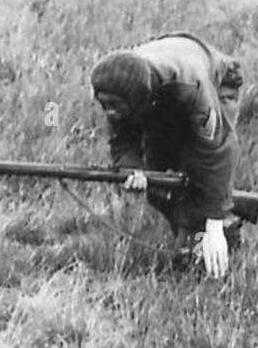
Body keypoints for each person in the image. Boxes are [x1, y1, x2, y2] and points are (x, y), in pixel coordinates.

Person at [90, 32, 243, 278]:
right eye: (104, 104)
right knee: (159, 180)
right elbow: (122, 141)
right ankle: (190, 237)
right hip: (163, 94)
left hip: (216, 82)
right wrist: (132, 170)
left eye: (115, 105)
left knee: (197, 171)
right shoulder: (119, 84)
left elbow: (217, 152)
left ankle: (217, 234)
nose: (110, 112)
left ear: (136, 98)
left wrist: (214, 223)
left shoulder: (192, 87)